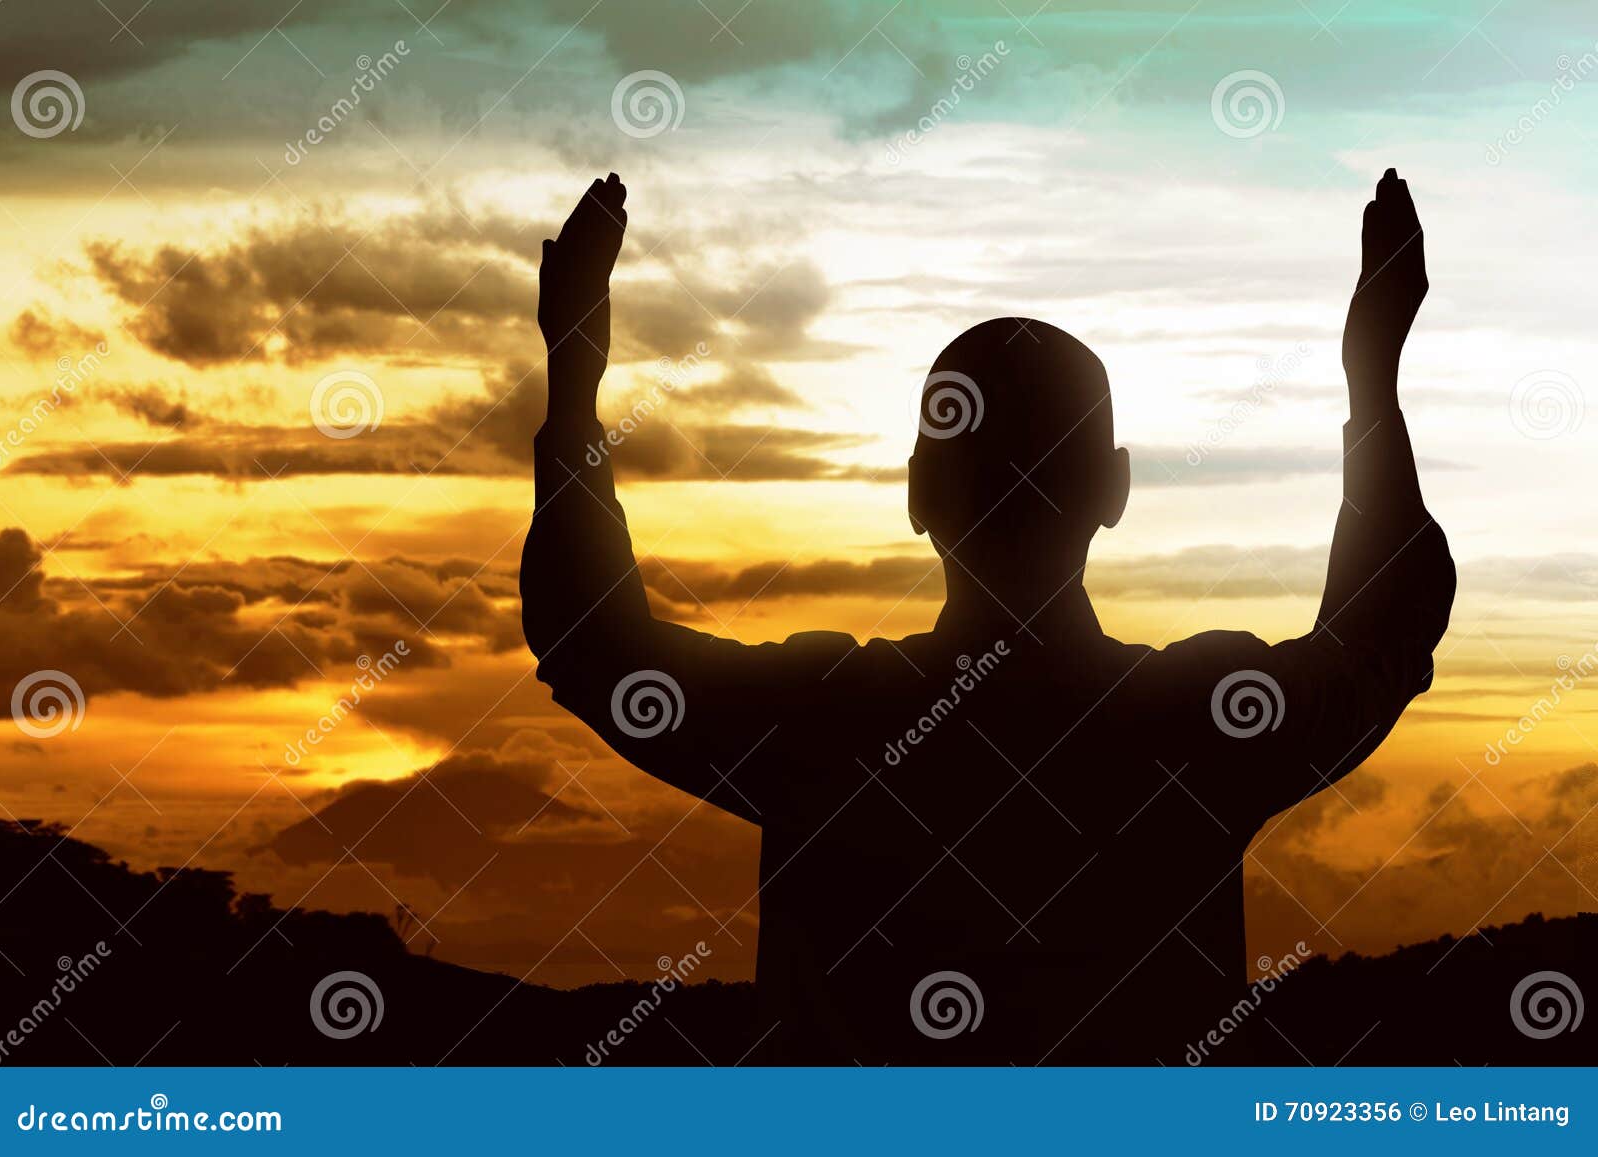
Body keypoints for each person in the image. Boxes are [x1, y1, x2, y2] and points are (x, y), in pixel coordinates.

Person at [521, 169, 1454, 1063]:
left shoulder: (823, 719)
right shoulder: (1197, 720)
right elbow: (1385, 634)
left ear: (920, 492)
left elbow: (592, 645)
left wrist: (574, 378)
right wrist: (1371, 376)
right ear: (1115, 489)